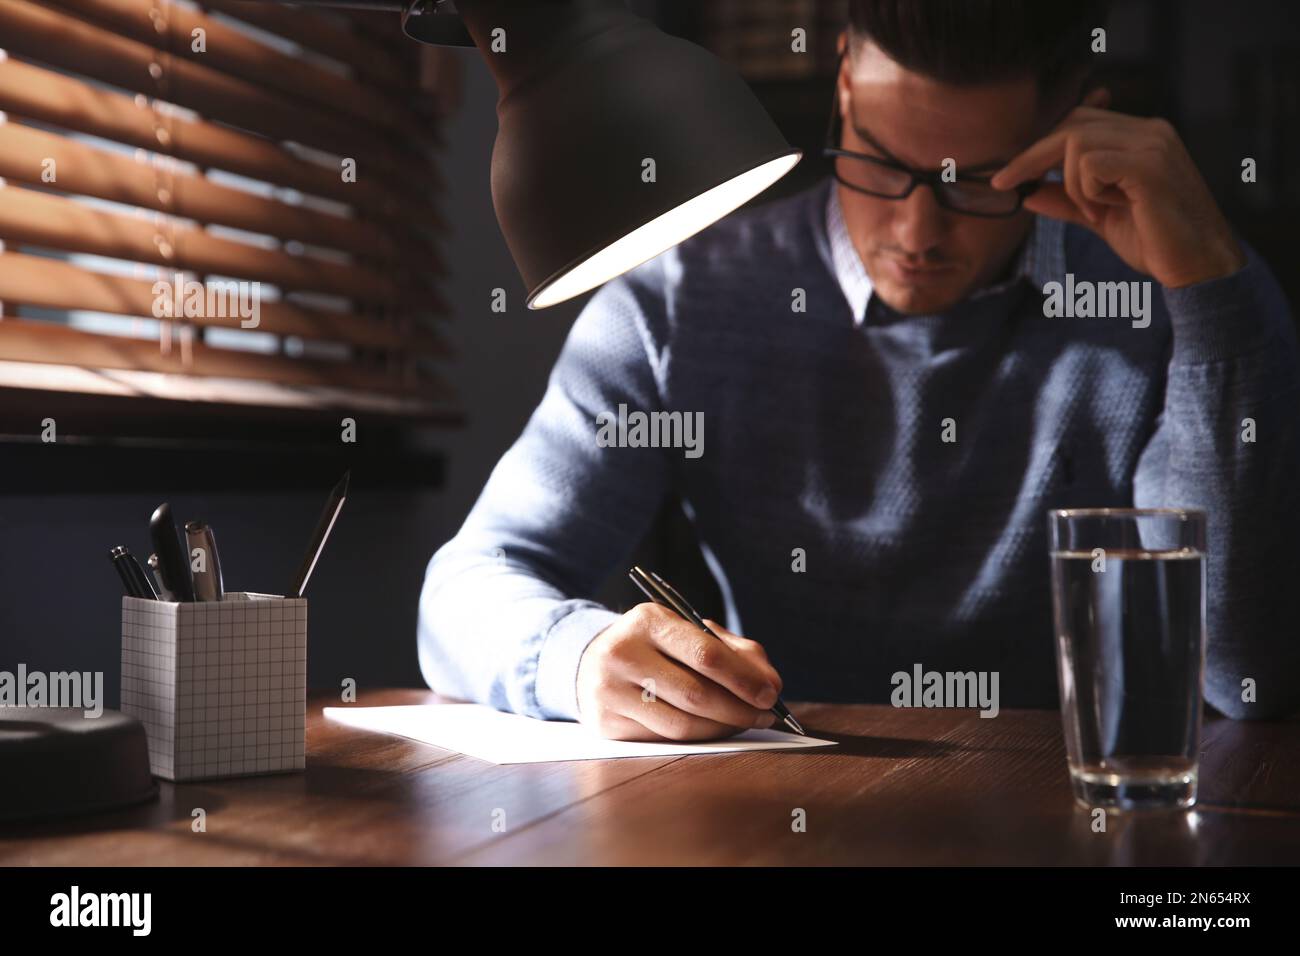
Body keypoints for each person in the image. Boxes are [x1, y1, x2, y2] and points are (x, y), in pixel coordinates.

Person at [419, 0, 1300, 740]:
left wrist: (1211, 291)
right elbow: (463, 594)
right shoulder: (679, 303)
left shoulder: (1168, 304)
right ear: (843, 81)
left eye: (977, 180)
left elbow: (1242, 676)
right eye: (880, 161)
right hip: (777, 816)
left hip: (1068, 817)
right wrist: (578, 659)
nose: (917, 234)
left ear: (1077, 128)